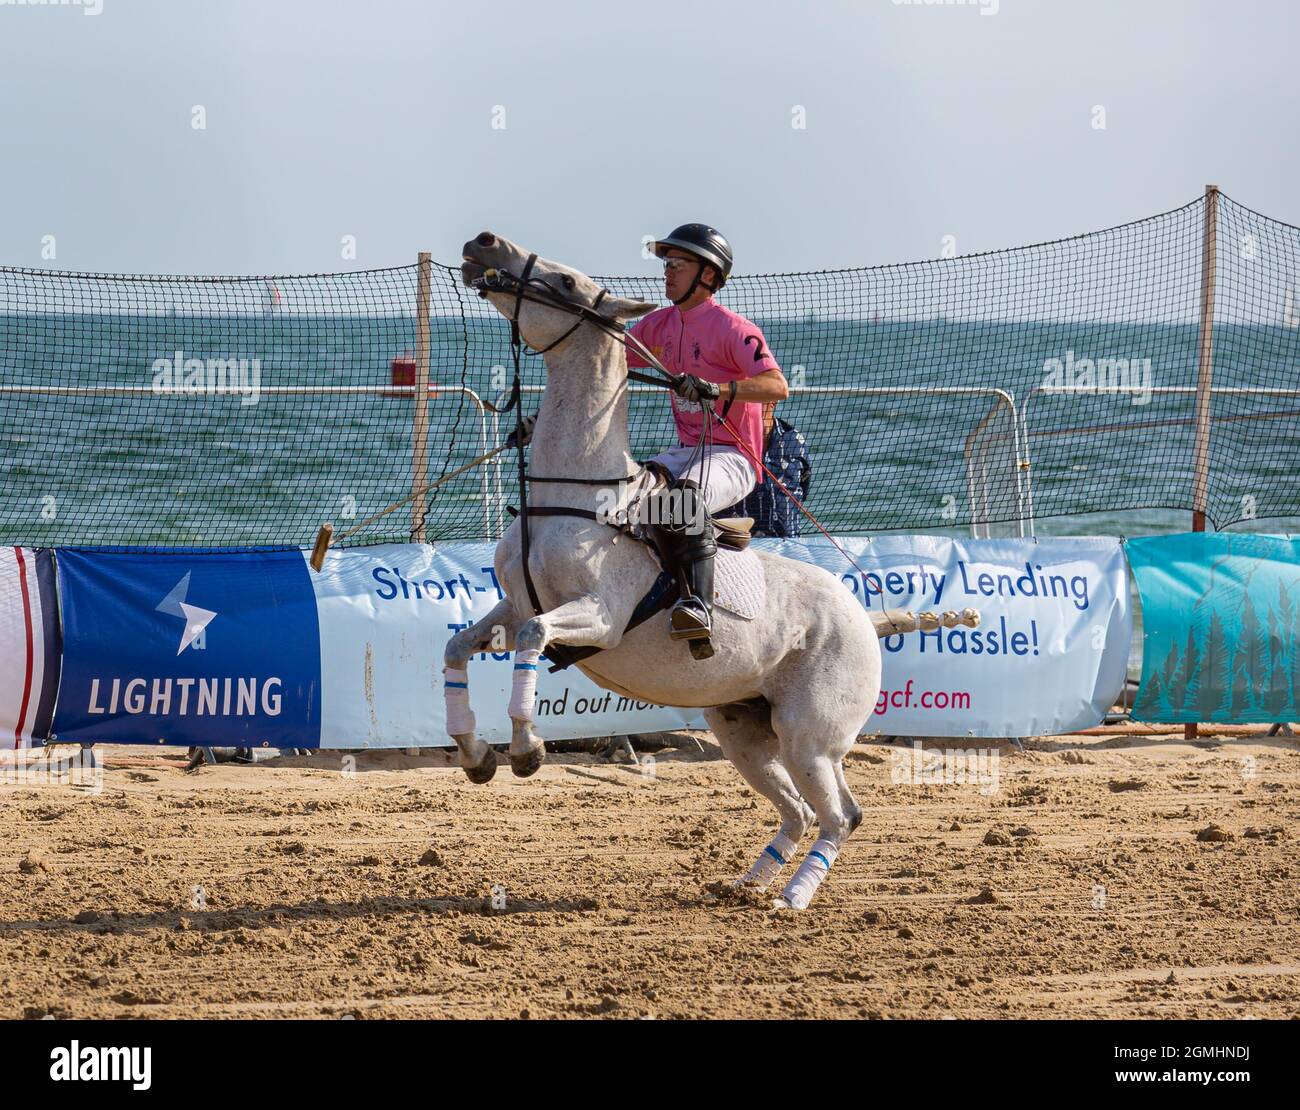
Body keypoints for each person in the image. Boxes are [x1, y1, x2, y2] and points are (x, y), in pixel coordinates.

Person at [625, 224, 788, 654]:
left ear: (709, 277)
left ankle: (699, 607)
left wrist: (719, 389)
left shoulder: (734, 329)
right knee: (626, 494)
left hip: (734, 456)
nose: (667, 273)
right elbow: (607, 361)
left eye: (678, 266)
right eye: (666, 265)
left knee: (679, 501)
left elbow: (777, 386)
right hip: (685, 453)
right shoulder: (656, 326)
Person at [727, 401, 811, 537]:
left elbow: (803, 485)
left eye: (754, 400)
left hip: (787, 541)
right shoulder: (727, 439)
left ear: (772, 402)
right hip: (740, 542)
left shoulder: (793, 440)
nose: (749, 406)